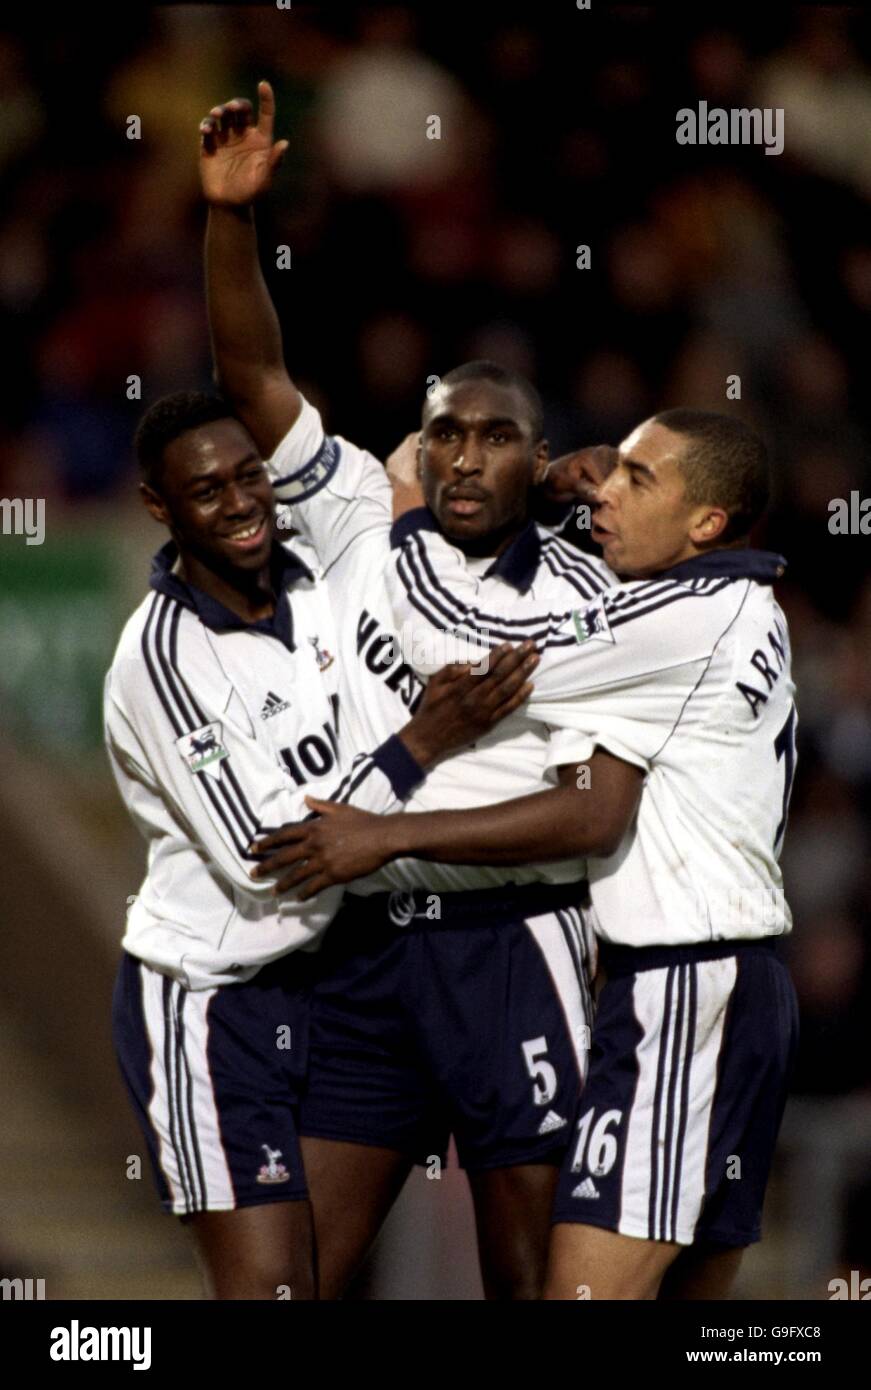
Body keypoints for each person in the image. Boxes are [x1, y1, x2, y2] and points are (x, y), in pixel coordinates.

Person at [200, 82, 614, 1299]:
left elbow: (595, 811)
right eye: (444, 433)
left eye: (493, 435)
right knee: (298, 1271)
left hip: (513, 945)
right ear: (416, 447)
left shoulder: (593, 606)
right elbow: (252, 373)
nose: (464, 453)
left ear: (538, 462)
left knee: (534, 1278)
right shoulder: (355, 529)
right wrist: (230, 219)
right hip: (369, 946)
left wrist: (396, 827)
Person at [259, 407, 800, 1300]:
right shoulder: (740, 606)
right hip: (733, 987)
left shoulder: (664, 621)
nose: (606, 495)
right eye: (612, 469)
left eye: (638, 480)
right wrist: (550, 492)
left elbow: (459, 652)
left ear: (707, 524)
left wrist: (406, 510)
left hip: (685, 993)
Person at [105, 390, 535, 1300]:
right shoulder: (162, 660)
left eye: (249, 475)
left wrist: (553, 472)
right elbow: (277, 849)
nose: (239, 502)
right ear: (160, 507)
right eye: (207, 490)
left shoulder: (325, 574)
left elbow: (417, 457)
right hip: (211, 1003)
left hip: (337, 983)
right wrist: (423, 740)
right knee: (267, 1292)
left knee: (309, 1287)